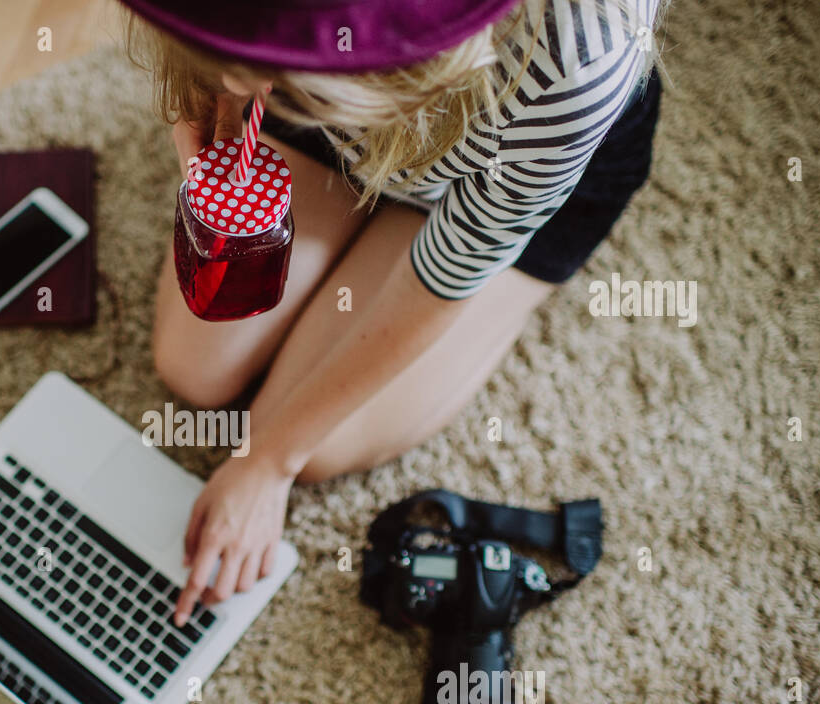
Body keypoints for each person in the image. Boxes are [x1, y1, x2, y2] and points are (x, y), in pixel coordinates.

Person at [120, 0, 663, 625]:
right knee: (194, 369)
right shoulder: (278, 66)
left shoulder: (578, 57)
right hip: (324, 88)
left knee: (310, 445)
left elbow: (443, 278)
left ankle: (414, 233)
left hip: (496, 149)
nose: (238, 84)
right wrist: (203, 86)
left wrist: (268, 462)